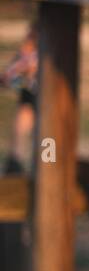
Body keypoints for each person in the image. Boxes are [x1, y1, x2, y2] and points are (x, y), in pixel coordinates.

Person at [1, 24, 39, 175]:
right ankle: (14, 166)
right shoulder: (24, 57)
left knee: (48, 144)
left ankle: (46, 167)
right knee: (23, 120)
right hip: (30, 102)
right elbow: (8, 79)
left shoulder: (40, 56)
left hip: (46, 109)